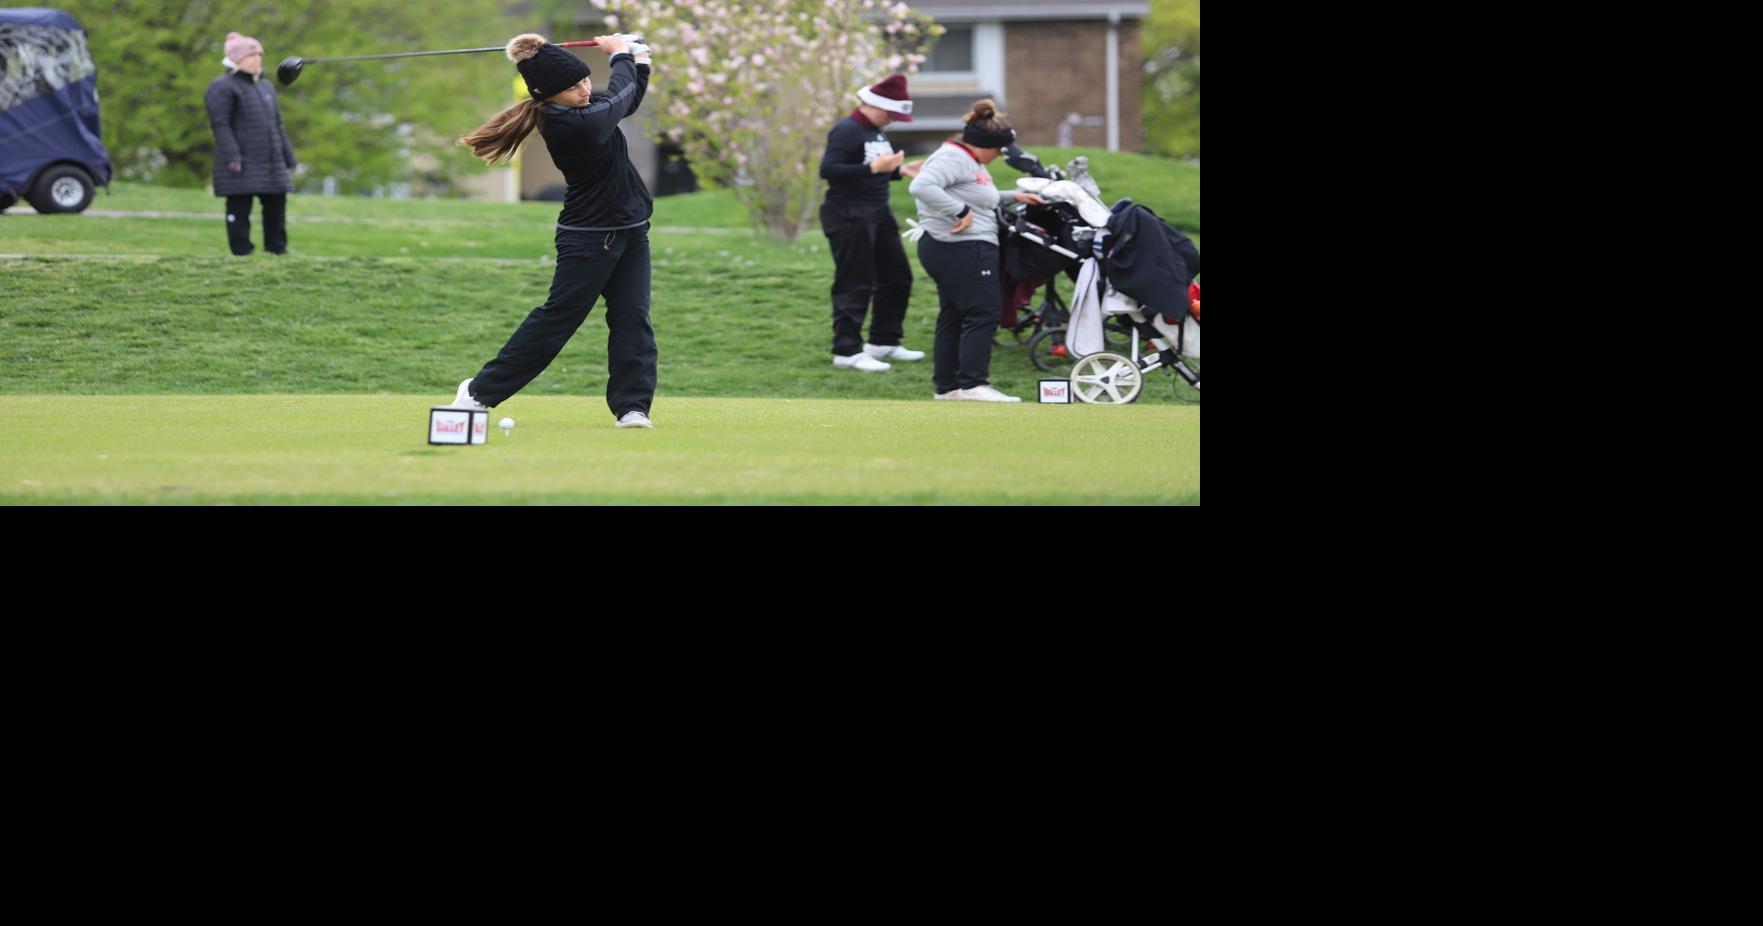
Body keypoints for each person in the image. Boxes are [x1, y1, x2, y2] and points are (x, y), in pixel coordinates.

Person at [448, 33, 658, 429]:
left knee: (633, 320)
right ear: (548, 96)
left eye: (583, 81)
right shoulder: (568, 123)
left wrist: (640, 58)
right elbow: (618, 97)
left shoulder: (582, 106)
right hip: (589, 238)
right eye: (573, 87)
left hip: (630, 229)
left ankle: (632, 407)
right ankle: (477, 393)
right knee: (557, 321)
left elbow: (627, 98)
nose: (583, 89)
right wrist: (619, 56)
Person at [907, 99, 1044, 402]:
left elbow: (976, 193)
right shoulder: (954, 158)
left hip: (959, 247)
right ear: (986, 144)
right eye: (999, 150)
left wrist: (1011, 196)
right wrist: (960, 210)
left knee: (954, 315)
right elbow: (921, 187)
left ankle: (948, 388)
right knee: (983, 312)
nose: (999, 156)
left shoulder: (969, 161)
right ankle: (973, 384)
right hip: (962, 247)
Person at [819, 74, 925, 373]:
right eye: (890, 115)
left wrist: (899, 170)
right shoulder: (847, 129)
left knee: (897, 276)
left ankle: (884, 341)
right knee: (855, 282)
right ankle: (847, 350)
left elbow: (872, 169)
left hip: (878, 212)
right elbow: (829, 169)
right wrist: (872, 168)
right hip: (848, 214)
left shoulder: (876, 131)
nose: (891, 121)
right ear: (874, 105)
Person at [204, 32, 297, 256]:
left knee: (276, 206)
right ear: (237, 59)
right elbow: (221, 125)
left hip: (271, 160)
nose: (257, 59)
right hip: (242, 160)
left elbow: (278, 124)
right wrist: (232, 157)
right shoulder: (221, 87)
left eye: (259, 55)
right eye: (252, 55)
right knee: (240, 207)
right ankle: (242, 251)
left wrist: (288, 156)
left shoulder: (266, 87)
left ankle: (277, 250)